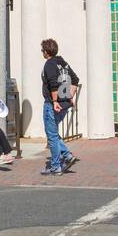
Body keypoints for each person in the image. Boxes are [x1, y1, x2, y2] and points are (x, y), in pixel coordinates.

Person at [40, 39, 80, 176]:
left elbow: (53, 84)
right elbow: (75, 79)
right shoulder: (63, 63)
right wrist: (70, 96)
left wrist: (55, 101)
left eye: (42, 50)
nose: (42, 53)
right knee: (54, 133)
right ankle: (67, 155)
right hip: (65, 104)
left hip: (53, 105)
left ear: (46, 52)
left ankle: (56, 166)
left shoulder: (49, 64)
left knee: (51, 135)